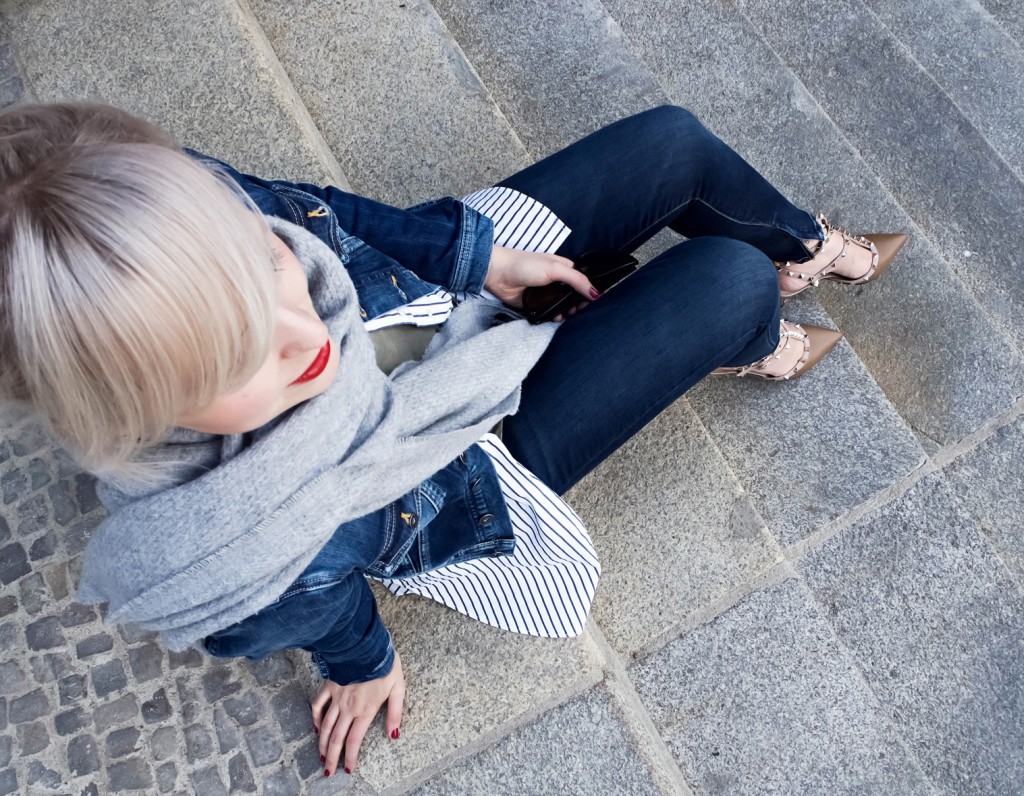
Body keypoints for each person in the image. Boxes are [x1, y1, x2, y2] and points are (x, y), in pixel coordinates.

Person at [0, 102, 906, 776]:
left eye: (262, 262)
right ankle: (745, 327)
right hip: (453, 461)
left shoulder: (189, 208)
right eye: (238, 358)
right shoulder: (226, 542)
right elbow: (314, 601)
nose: (307, 329)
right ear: (133, 412)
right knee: (727, 282)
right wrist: (364, 663)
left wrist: (478, 259)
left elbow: (317, 210)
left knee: (674, 142)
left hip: (421, 302)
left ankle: (801, 248)